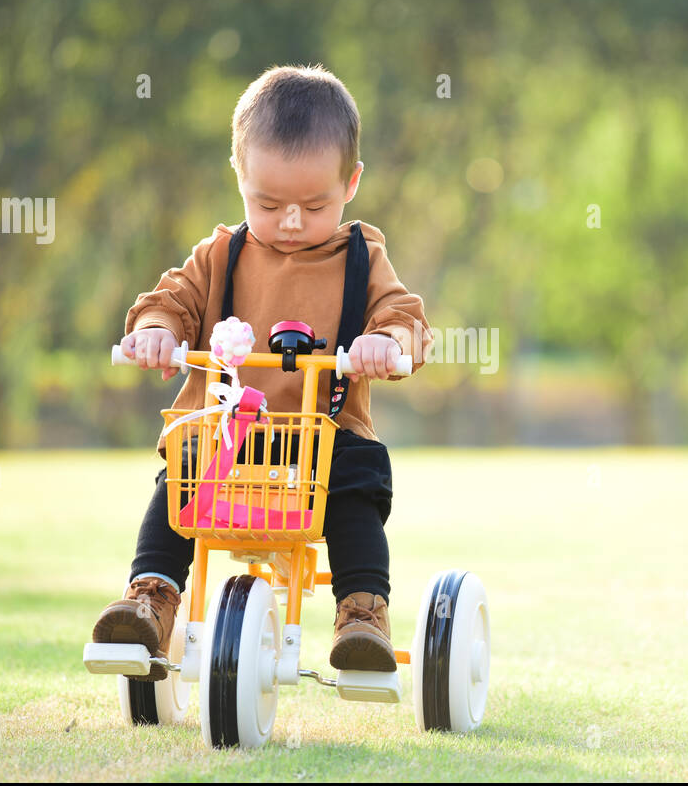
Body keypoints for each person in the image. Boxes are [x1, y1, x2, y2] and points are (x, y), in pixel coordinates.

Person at [91, 64, 432, 680]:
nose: (292, 221)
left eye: (315, 204)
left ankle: (361, 612)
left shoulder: (362, 257)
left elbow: (402, 313)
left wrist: (386, 341)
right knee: (178, 479)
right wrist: (156, 332)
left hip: (324, 442)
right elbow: (172, 299)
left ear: (351, 182)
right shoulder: (221, 254)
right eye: (268, 203)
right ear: (240, 177)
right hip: (226, 438)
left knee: (359, 486)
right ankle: (151, 598)